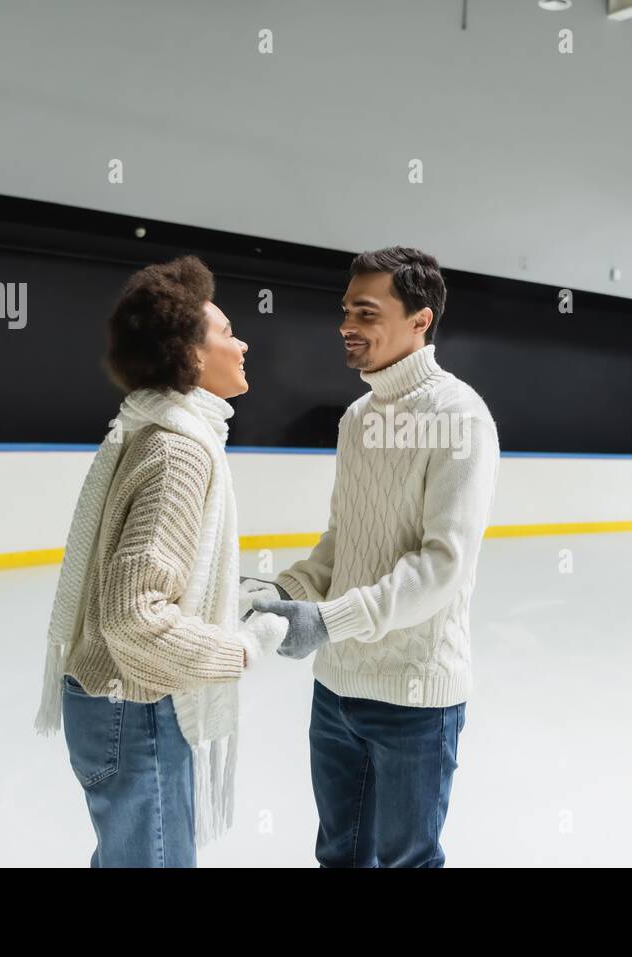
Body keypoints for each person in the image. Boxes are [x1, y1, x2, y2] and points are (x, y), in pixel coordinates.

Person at [34, 255, 286, 867]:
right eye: (227, 332)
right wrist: (244, 647)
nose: (242, 341)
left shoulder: (147, 434)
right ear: (193, 356)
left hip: (106, 704)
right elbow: (134, 617)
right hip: (136, 712)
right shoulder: (179, 452)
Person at [254, 246, 500, 867]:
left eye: (366, 313)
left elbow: (441, 568)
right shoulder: (358, 418)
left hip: (414, 699)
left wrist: (328, 621)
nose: (346, 326)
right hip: (336, 690)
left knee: (406, 862)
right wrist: (286, 593)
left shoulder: (459, 416)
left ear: (421, 320)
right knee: (338, 855)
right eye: (345, 311)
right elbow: (343, 541)